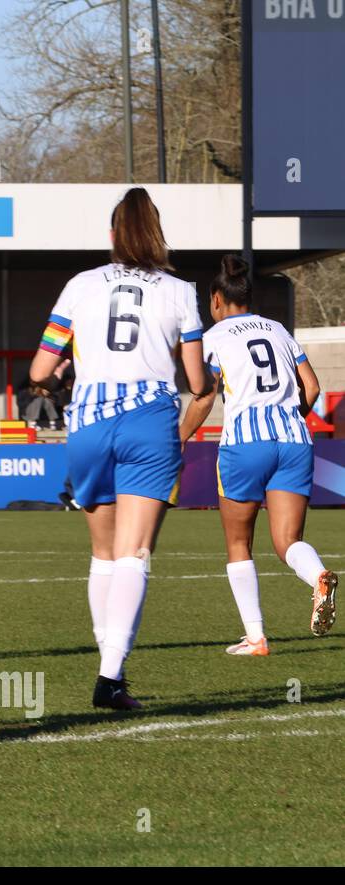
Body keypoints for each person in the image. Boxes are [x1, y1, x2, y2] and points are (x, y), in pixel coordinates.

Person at [29, 187, 211, 710]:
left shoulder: (80, 285)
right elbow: (197, 381)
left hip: (89, 420)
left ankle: (109, 666)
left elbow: (41, 370)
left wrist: (52, 383)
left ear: (111, 236)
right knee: (136, 553)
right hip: (150, 419)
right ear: (156, 234)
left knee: (104, 554)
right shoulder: (179, 291)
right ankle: (110, 676)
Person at [180, 254, 336, 654]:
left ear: (217, 300)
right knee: (287, 541)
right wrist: (289, 418)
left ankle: (256, 637)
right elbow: (313, 388)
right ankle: (318, 574)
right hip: (294, 439)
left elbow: (204, 395)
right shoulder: (279, 330)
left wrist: (178, 437)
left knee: (238, 543)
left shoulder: (213, 337)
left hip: (246, 443)